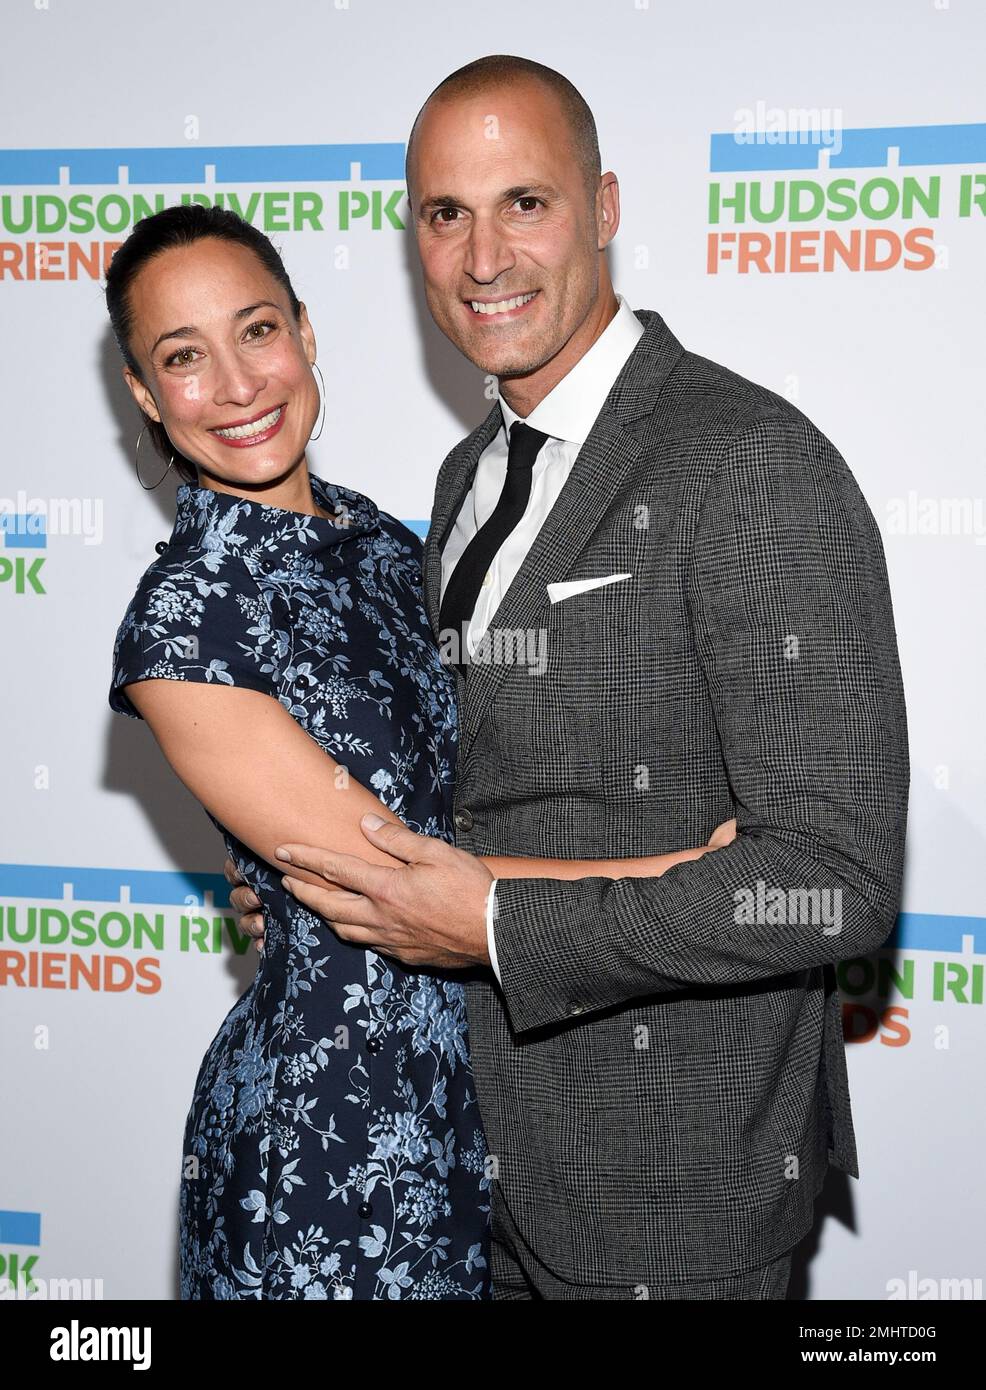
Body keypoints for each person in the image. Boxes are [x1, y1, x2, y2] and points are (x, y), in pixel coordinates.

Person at [231, 56, 910, 1301]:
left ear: (601, 208)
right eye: (445, 215)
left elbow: (831, 881)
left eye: (524, 204)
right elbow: (477, 783)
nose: (483, 256)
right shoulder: (461, 479)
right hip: (457, 1167)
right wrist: (327, 886)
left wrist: (490, 918)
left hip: (667, 1197)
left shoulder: (748, 461)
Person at [104, 202, 733, 1300]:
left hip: (487, 1107)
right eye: (182, 358)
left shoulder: (396, 544)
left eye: (255, 331)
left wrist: (261, 872)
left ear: (304, 331)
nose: (239, 384)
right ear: (146, 397)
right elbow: (399, 871)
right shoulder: (180, 621)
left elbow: (489, 787)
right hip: (326, 1145)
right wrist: (681, 880)